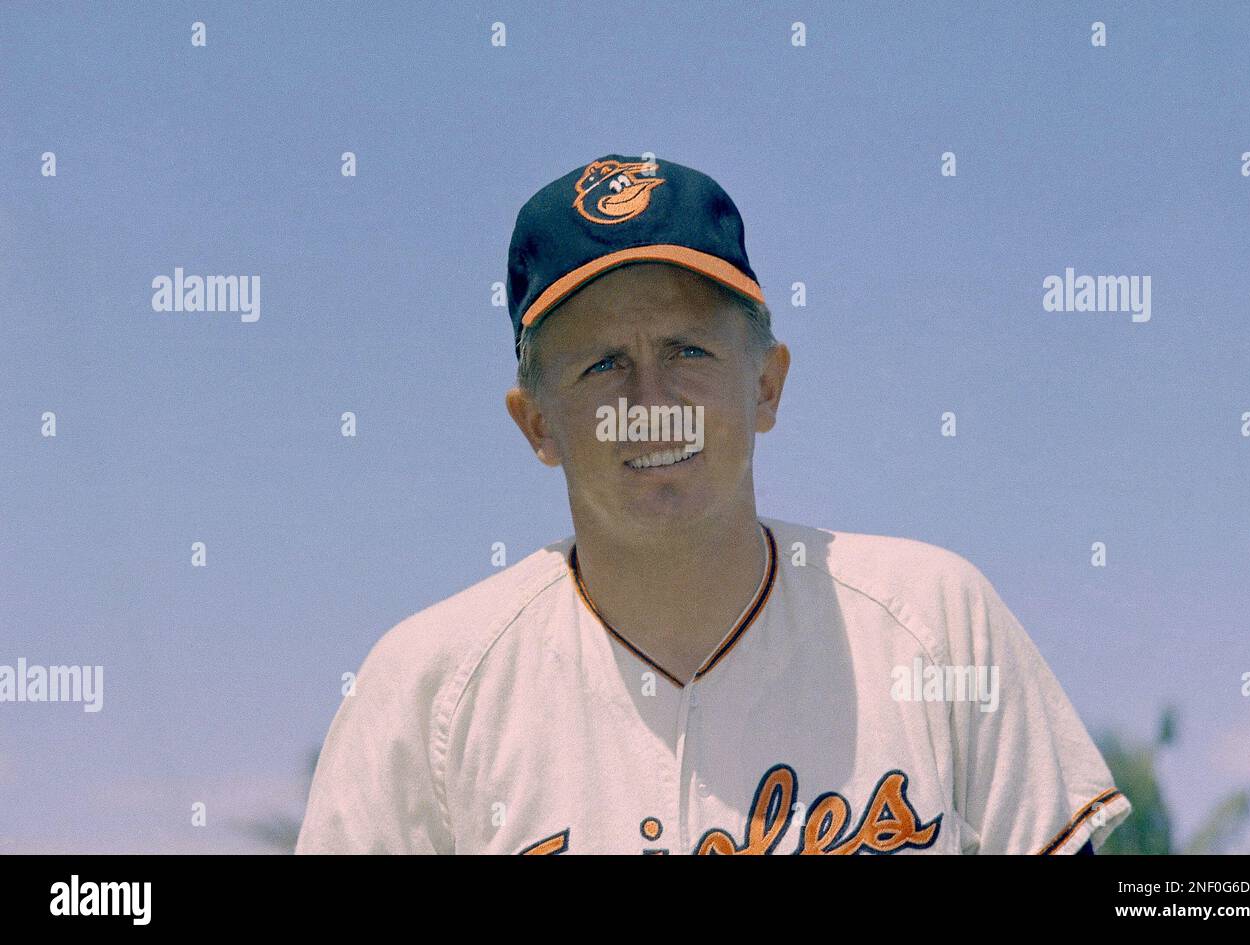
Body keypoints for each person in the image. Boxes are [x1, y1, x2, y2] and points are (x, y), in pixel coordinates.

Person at [296, 154, 1130, 854]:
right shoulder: (424, 691)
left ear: (767, 384)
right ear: (536, 422)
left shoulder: (936, 623)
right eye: (602, 365)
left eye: (688, 349)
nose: (652, 399)